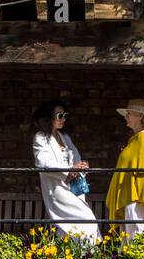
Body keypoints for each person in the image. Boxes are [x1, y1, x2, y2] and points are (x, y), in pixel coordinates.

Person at [31, 101, 100, 241]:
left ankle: (69, 257)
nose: (63, 119)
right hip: (56, 189)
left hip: (72, 187)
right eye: (59, 115)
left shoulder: (65, 138)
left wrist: (80, 166)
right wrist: (69, 170)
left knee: (69, 227)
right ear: (48, 117)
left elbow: (75, 156)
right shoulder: (41, 138)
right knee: (87, 218)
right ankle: (89, 254)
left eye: (65, 115)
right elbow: (42, 162)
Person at [105, 98, 144, 235]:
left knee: (135, 230)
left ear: (141, 116)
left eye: (129, 113)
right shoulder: (135, 139)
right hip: (128, 192)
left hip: (136, 194)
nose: (126, 117)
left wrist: (139, 193)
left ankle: (137, 257)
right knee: (127, 232)